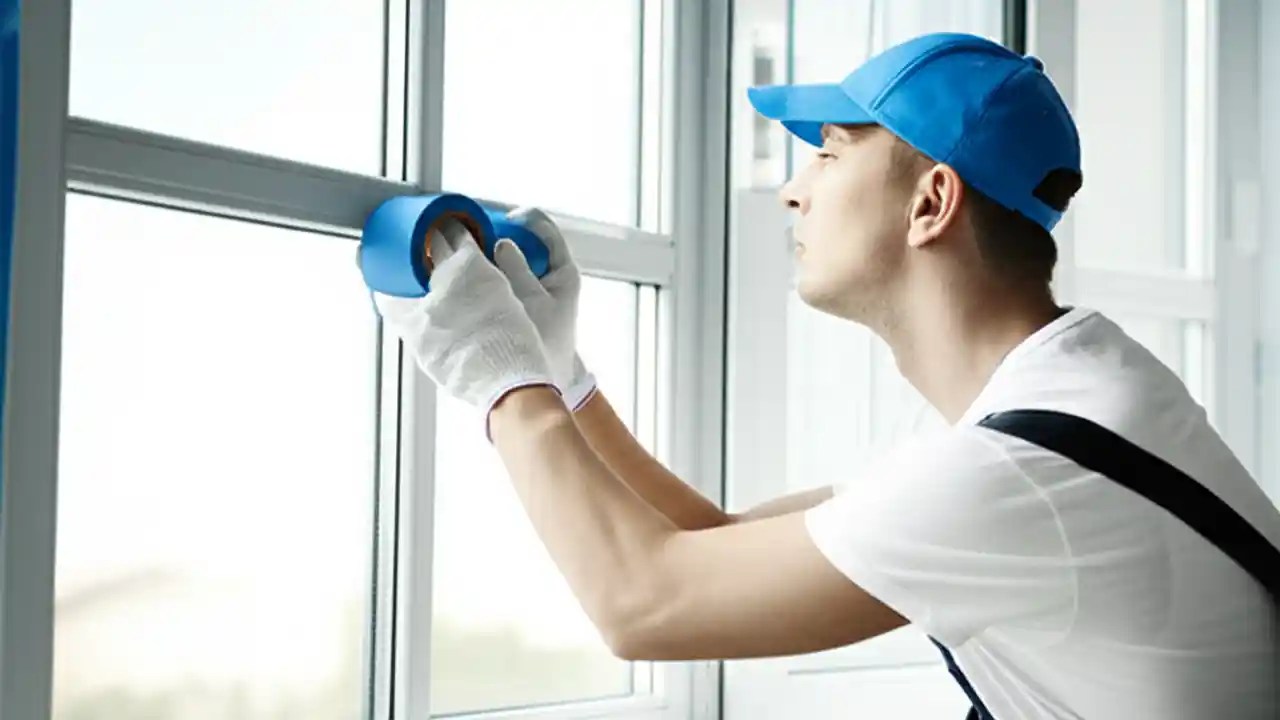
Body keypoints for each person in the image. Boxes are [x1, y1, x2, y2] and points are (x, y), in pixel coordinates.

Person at [370, 32, 1279, 719]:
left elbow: (644, 605)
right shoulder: (1055, 395)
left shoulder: (1019, 468)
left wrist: (503, 380)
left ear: (931, 203)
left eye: (831, 152)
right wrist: (564, 379)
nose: (793, 190)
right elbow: (711, 540)